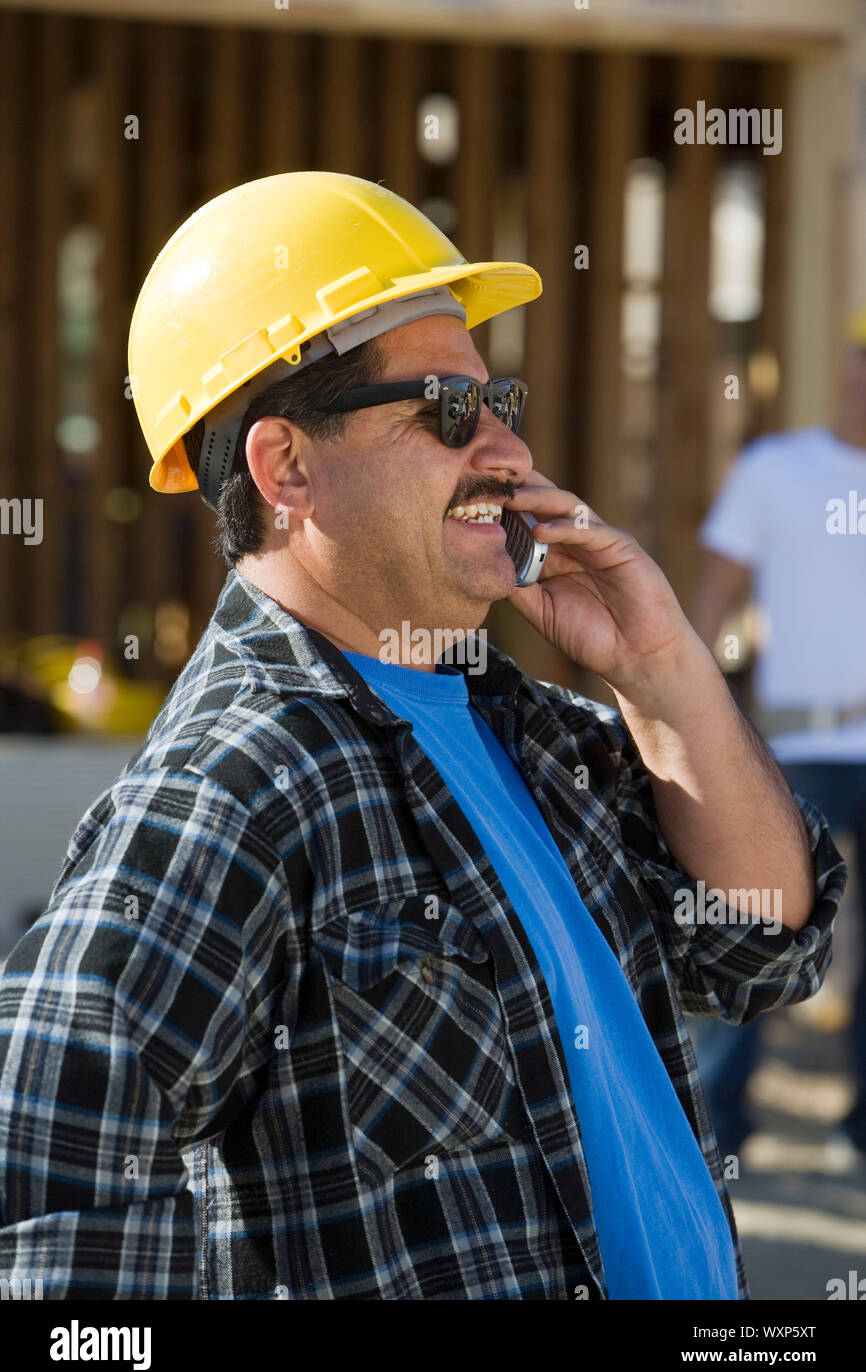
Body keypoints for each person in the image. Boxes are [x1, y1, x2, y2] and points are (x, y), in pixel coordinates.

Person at [0, 172, 846, 1300]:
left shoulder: (535, 732)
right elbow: (45, 1197)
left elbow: (759, 949)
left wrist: (662, 670)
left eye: (499, 401)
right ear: (286, 466)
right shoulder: (235, 786)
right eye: (449, 410)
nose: (503, 449)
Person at [688, 314, 866, 1166]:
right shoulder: (776, 472)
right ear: (846, 365)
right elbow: (711, 599)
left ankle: (861, 1131)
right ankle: (721, 1121)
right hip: (797, 744)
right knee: (753, 921)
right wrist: (681, 710)